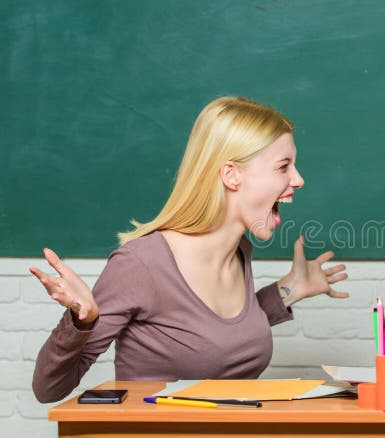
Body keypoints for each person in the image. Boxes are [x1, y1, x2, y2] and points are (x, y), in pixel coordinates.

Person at [30, 96, 349, 403]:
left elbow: (210, 336)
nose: (299, 179)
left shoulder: (239, 251)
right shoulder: (141, 265)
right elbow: (49, 389)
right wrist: (81, 323)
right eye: (283, 167)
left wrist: (288, 291)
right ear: (232, 175)